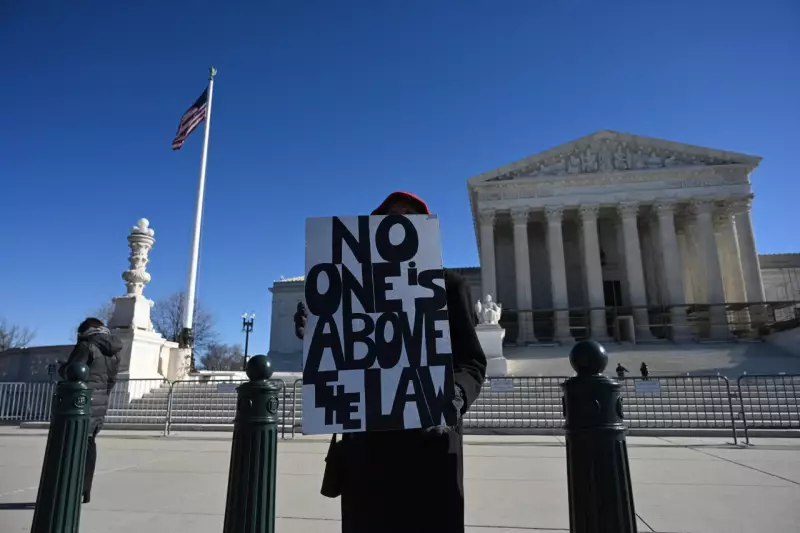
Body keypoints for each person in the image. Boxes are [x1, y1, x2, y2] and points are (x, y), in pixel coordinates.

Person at [297, 191, 487, 533]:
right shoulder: (348, 289)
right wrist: (315, 324)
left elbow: (471, 360)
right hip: (367, 451)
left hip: (429, 445)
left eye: (408, 218)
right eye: (389, 218)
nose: (398, 223)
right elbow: (336, 352)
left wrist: (455, 395)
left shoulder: (448, 285)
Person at [59, 318, 122, 504]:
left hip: (81, 401)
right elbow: (112, 380)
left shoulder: (86, 346)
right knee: (89, 443)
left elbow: (74, 372)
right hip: (100, 401)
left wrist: (62, 368)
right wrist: (102, 396)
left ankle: (68, 489)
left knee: (71, 445)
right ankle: (85, 489)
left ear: (85, 331)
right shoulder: (114, 351)